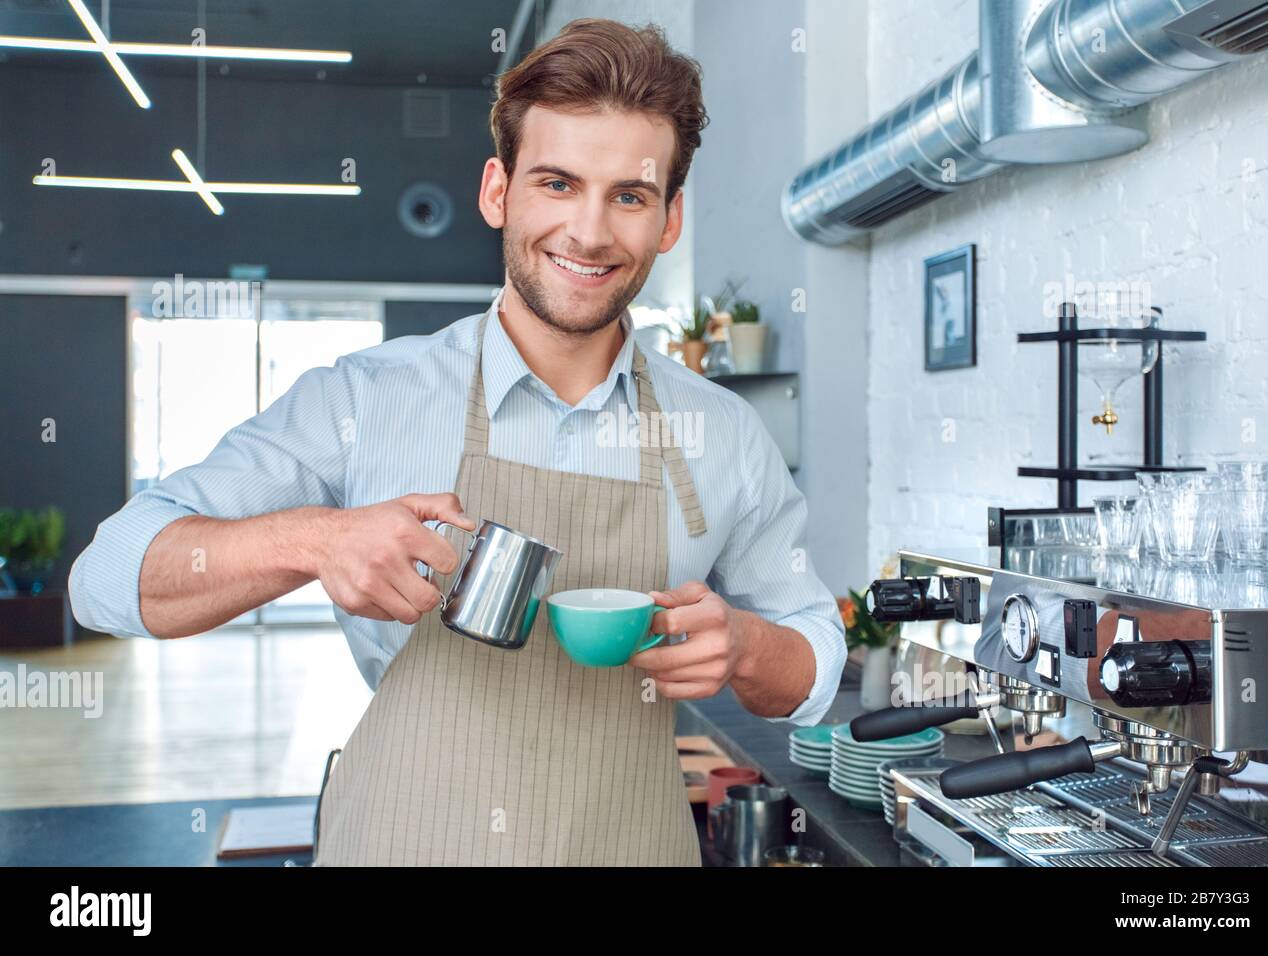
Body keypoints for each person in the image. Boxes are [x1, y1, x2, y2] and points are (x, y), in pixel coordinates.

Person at [69, 17, 846, 866]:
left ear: (668, 220)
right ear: (496, 191)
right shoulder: (365, 396)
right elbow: (105, 578)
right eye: (556, 183)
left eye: (629, 194)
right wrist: (316, 541)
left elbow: (812, 657)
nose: (589, 233)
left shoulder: (724, 434)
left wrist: (748, 645)